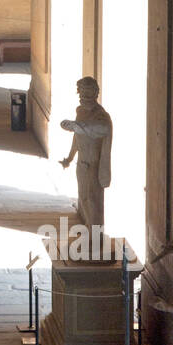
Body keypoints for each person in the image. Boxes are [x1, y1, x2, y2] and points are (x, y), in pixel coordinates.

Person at [59, 76, 112, 230]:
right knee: (83, 198)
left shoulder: (101, 115)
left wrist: (77, 126)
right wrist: (70, 158)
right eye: (82, 93)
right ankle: (89, 228)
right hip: (81, 164)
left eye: (88, 93)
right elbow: (77, 138)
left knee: (93, 201)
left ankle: (96, 235)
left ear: (95, 93)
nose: (84, 96)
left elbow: (101, 129)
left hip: (93, 165)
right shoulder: (81, 111)